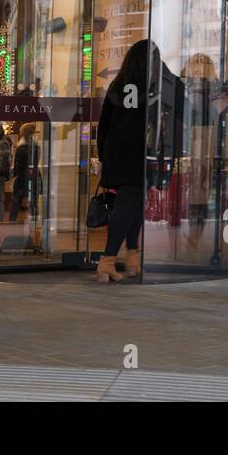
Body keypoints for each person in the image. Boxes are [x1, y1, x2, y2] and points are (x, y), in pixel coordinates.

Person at [94, 39, 163, 283]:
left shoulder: (117, 85)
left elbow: (103, 126)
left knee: (134, 204)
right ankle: (107, 261)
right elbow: (156, 125)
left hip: (116, 152)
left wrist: (103, 156)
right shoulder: (152, 88)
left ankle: (132, 256)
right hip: (138, 153)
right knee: (127, 205)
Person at [11, 122, 41, 224]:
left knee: (16, 201)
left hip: (23, 177)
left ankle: (12, 223)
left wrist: (12, 175)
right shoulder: (36, 146)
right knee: (34, 202)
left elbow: (18, 165)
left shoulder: (21, 147)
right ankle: (35, 224)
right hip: (34, 175)